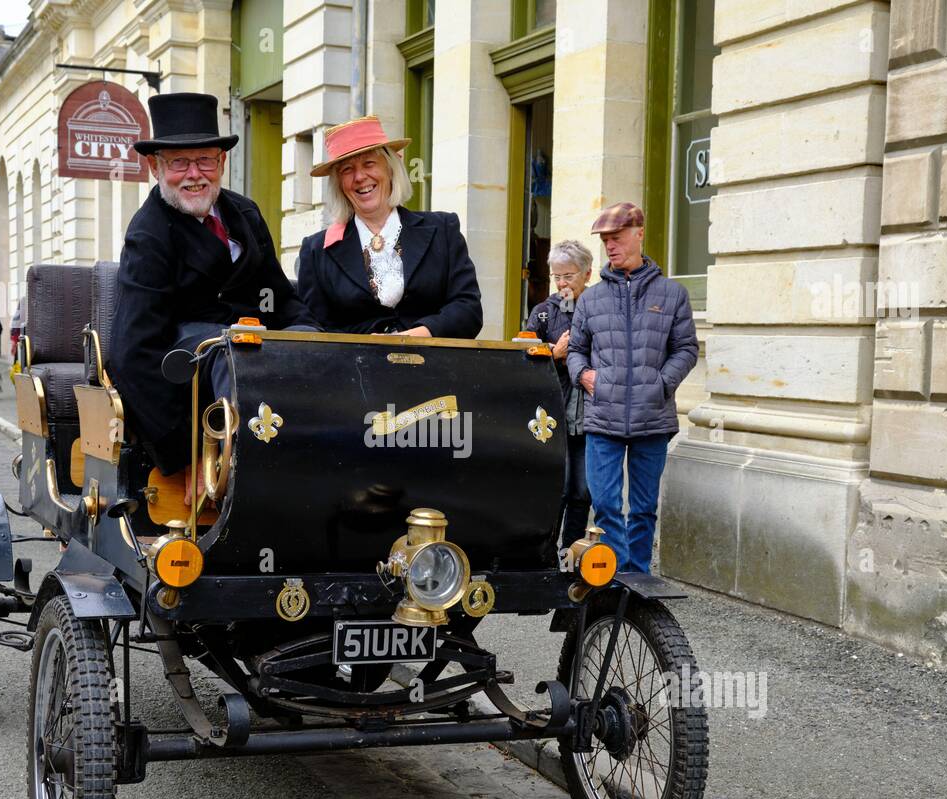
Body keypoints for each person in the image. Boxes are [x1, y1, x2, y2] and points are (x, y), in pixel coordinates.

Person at [108, 92, 311, 479]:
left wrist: (311, 336)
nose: (194, 174)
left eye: (205, 160)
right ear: (154, 167)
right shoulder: (149, 234)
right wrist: (186, 459)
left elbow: (279, 298)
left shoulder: (246, 214)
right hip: (192, 377)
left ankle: (310, 457)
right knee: (228, 349)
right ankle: (244, 470)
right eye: (179, 162)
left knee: (304, 345)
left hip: (257, 356)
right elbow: (133, 353)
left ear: (221, 161)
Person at [566, 202, 698, 574]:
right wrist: (585, 376)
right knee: (606, 505)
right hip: (603, 416)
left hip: (652, 417)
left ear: (639, 233)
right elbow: (576, 349)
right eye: (605, 240)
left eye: (617, 237)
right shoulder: (591, 298)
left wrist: (661, 383)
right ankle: (618, 577)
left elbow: (686, 349)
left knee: (643, 508)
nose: (610, 246)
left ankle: (637, 578)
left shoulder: (672, 295)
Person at [296, 116, 482, 338]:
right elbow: (313, 330)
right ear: (339, 184)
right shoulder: (316, 251)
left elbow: (468, 310)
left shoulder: (443, 229)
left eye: (369, 164)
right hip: (355, 369)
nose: (359, 177)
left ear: (391, 169)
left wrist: (413, 337)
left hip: (434, 367)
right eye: (347, 169)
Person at [526, 239, 593, 548]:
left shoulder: (598, 308)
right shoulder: (542, 312)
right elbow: (522, 353)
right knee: (560, 489)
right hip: (554, 412)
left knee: (583, 490)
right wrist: (554, 351)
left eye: (569, 276)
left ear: (587, 274)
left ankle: (572, 553)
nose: (563, 283)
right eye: (557, 276)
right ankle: (545, 554)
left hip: (590, 413)